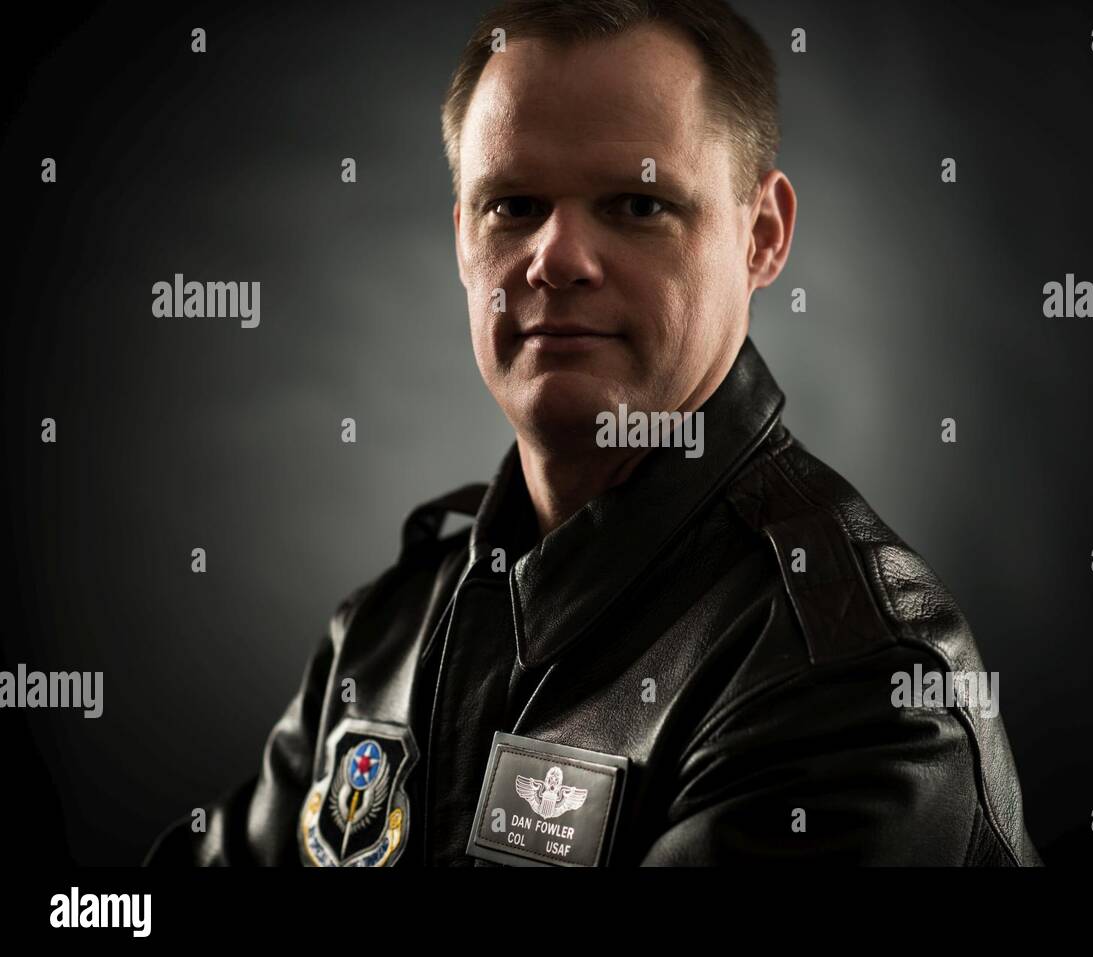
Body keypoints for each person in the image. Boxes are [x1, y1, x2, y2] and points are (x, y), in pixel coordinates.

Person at [145, 0, 1041, 867]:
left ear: (762, 236)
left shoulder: (856, 679)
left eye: (635, 205)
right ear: (463, 241)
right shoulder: (381, 635)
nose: (557, 258)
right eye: (514, 204)